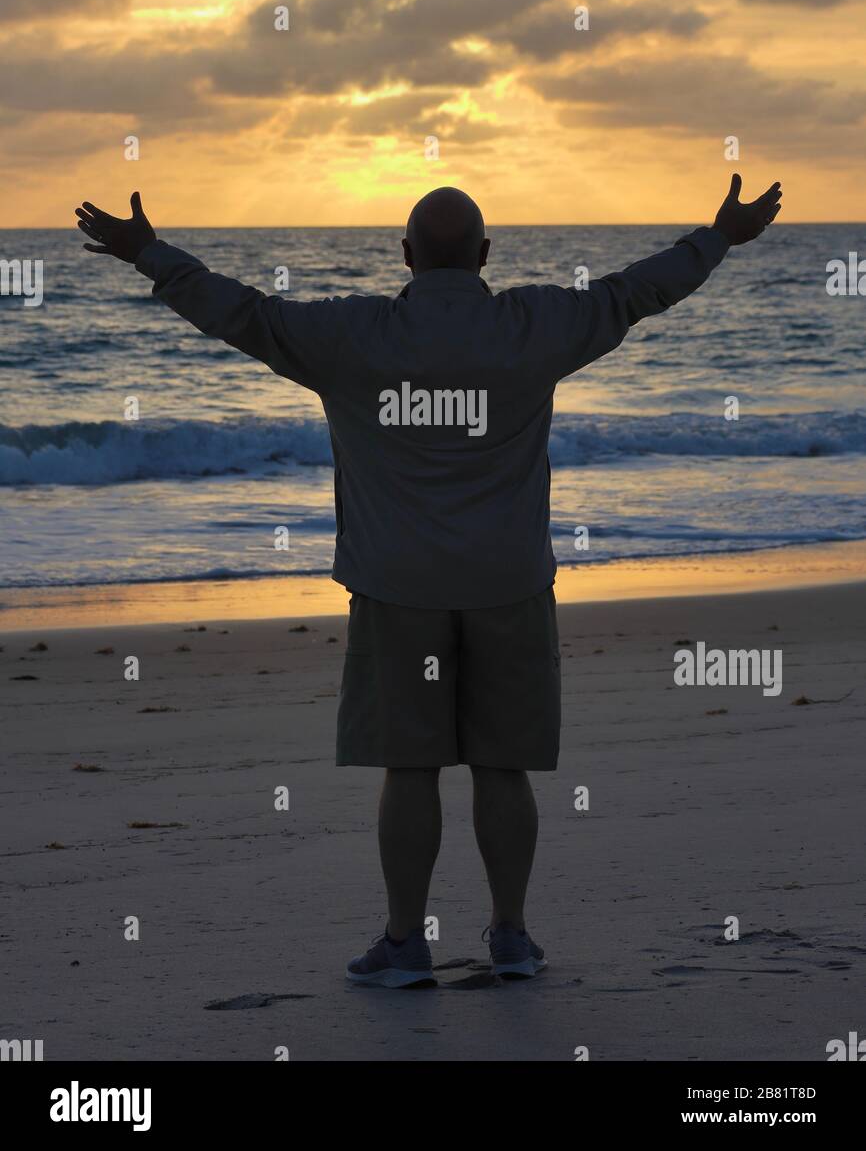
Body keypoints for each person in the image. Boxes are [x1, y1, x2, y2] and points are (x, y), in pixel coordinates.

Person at [75, 173, 782, 988]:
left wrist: (147, 254)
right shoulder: (536, 323)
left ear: (405, 256)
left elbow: (240, 312)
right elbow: (637, 292)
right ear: (485, 256)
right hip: (508, 581)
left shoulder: (352, 334)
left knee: (408, 768)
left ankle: (406, 944)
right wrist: (721, 236)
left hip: (396, 585)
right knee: (502, 765)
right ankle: (510, 937)